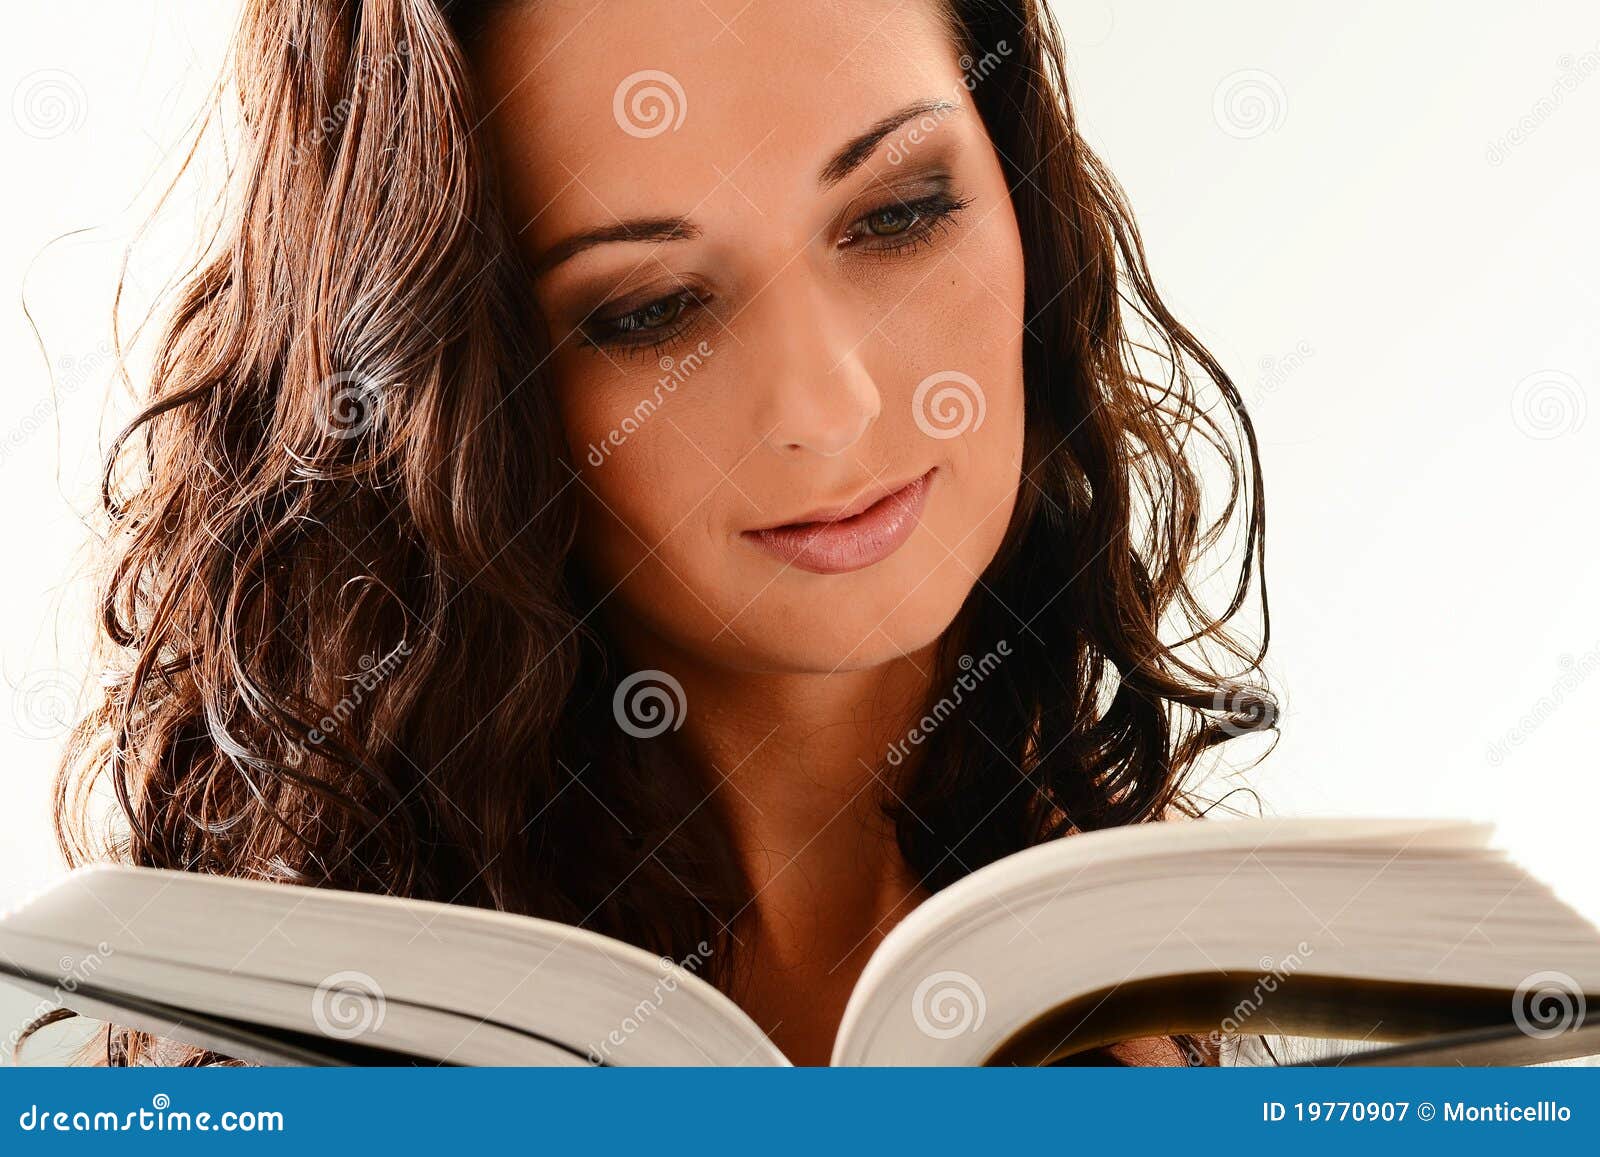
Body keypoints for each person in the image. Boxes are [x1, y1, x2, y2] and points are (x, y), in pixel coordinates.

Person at [47, 0, 1273, 1066]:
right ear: (465, 394)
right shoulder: (308, 1025)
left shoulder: (1247, 975)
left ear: (1016, 187)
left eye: (896, 214)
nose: (827, 404)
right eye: (651, 311)